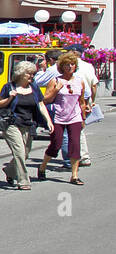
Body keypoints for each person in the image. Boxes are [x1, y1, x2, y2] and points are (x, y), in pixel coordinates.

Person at [0, 62, 52, 190]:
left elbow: (41, 104)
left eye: (33, 73)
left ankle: (9, 171)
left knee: (25, 154)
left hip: (27, 124)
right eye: (29, 73)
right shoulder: (9, 87)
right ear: (20, 74)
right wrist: (10, 98)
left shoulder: (34, 88)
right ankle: (24, 181)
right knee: (19, 152)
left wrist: (48, 120)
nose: (32, 76)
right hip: (11, 124)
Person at [41, 53, 88, 185]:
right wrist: (56, 90)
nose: (69, 67)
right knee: (56, 144)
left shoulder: (80, 81)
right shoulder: (56, 80)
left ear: (75, 66)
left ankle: (74, 175)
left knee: (75, 145)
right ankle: (43, 166)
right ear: (62, 66)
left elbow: (82, 101)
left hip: (75, 117)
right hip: (59, 117)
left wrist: (83, 117)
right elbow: (46, 100)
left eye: (72, 64)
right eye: (67, 64)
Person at [68, 46, 96, 167]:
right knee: (79, 127)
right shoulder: (88, 66)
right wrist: (92, 101)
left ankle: (79, 157)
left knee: (75, 129)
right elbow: (94, 85)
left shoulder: (69, 66)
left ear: (74, 53)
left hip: (74, 99)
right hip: (85, 98)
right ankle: (82, 156)